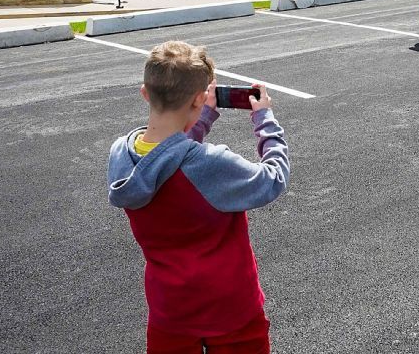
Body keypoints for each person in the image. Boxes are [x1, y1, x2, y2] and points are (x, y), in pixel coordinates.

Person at [107, 41, 289, 354]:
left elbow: (165, 158)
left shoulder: (122, 156)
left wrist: (201, 118)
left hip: (170, 312)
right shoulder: (211, 164)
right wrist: (265, 120)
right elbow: (273, 178)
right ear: (197, 99)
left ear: (146, 93)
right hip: (231, 311)